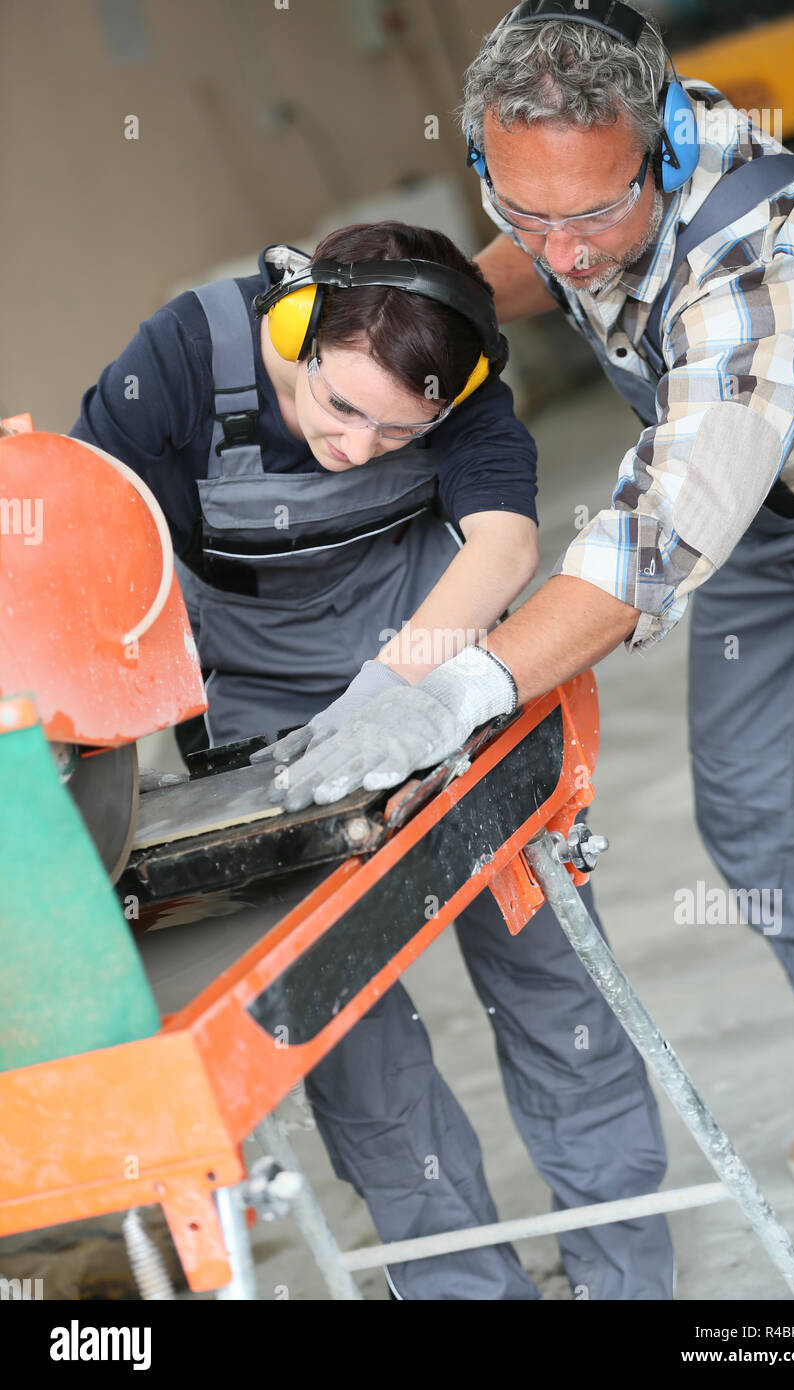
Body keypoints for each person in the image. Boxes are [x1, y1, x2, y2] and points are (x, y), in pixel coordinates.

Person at [272, 2, 794, 1188]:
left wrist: (459, 689)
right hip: (769, 529)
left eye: (594, 213)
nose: (566, 250)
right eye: (524, 210)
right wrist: (411, 328)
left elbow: (661, 525)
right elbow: (529, 268)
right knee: (762, 823)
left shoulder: (767, 248)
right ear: (487, 158)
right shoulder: (558, 200)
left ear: (652, 148)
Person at [71, 219, 674, 1299]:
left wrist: (403, 693)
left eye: (396, 435)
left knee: (556, 1004)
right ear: (295, 327)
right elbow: (97, 565)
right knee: (363, 1063)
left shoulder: (456, 365)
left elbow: (503, 542)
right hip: (265, 744)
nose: (352, 448)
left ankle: (625, 1278)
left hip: (440, 696)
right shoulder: (175, 363)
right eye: (339, 408)